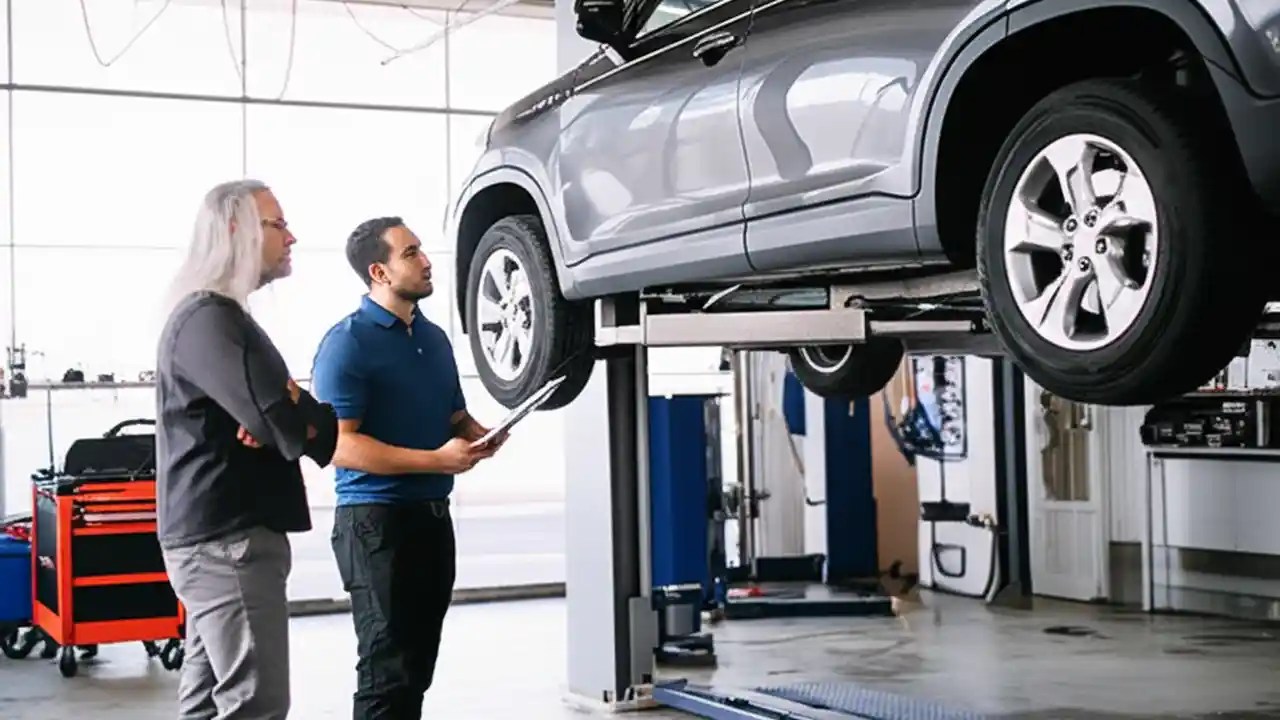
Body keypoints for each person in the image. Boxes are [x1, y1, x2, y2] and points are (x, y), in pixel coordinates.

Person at [155, 179, 339, 720]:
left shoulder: (219, 318)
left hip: (219, 542)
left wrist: (289, 411)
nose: (292, 236)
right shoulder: (208, 319)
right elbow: (281, 421)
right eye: (277, 224)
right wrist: (290, 410)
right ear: (236, 230)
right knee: (254, 704)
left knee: (208, 705)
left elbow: (291, 421)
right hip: (227, 544)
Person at [310, 216, 505, 720]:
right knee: (386, 671)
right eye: (410, 252)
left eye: (421, 249)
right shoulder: (346, 344)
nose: (425, 260)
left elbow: (453, 416)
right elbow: (341, 446)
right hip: (376, 524)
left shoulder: (435, 339)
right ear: (379, 271)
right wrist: (437, 460)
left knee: (416, 666)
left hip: (430, 516)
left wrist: (480, 434)